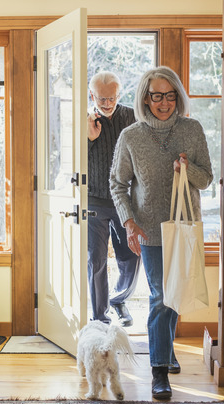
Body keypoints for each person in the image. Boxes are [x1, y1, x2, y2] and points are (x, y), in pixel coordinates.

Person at [109, 66, 213, 399]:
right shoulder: (131, 136)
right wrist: (128, 221)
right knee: (159, 296)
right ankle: (159, 371)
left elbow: (206, 179)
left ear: (177, 97)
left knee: (176, 294)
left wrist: (188, 168)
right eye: (157, 95)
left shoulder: (192, 130)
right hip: (150, 230)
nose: (164, 102)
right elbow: (118, 183)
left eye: (170, 95)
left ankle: (166, 353)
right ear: (145, 98)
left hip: (183, 226)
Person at [86, 71, 140, 327]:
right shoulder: (84, 119)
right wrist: (89, 138)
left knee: (131, 255)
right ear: (92, 95)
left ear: (119, 95)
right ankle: (99, 316)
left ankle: (119, 299)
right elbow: (71, 162)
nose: (106, 104)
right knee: (95, 259)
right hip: (94, 199)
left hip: (126, 200)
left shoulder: (131, 116)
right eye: (101, 99)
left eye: (111, 98)